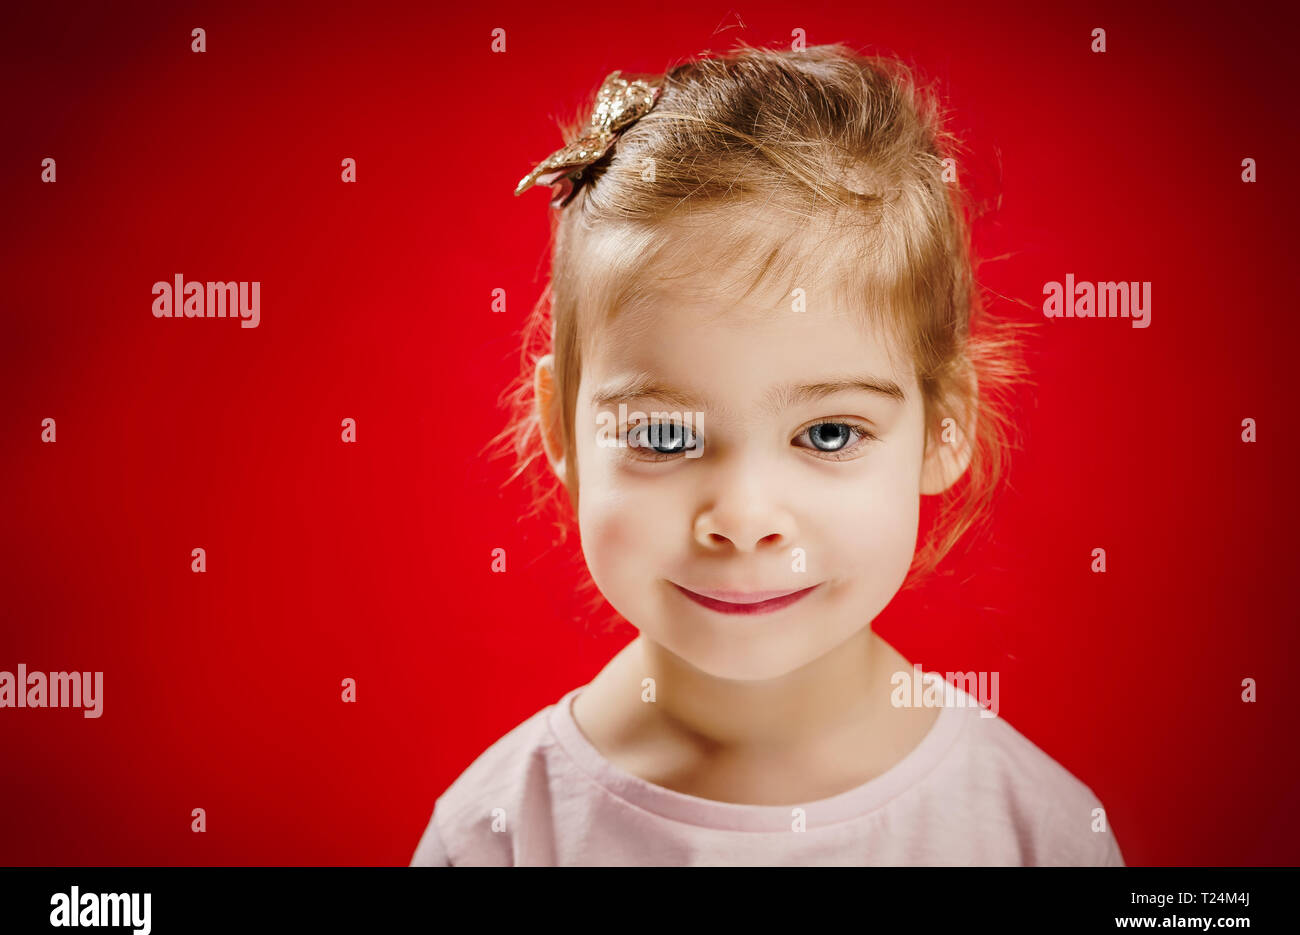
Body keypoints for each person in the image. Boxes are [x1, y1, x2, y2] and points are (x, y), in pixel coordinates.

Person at [411, 41, 1124, 866]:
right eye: (663, 435)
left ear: (943, 427)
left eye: (828, 433)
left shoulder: (1035, 833)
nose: (745, 520)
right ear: (562, 434)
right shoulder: (500, 834)